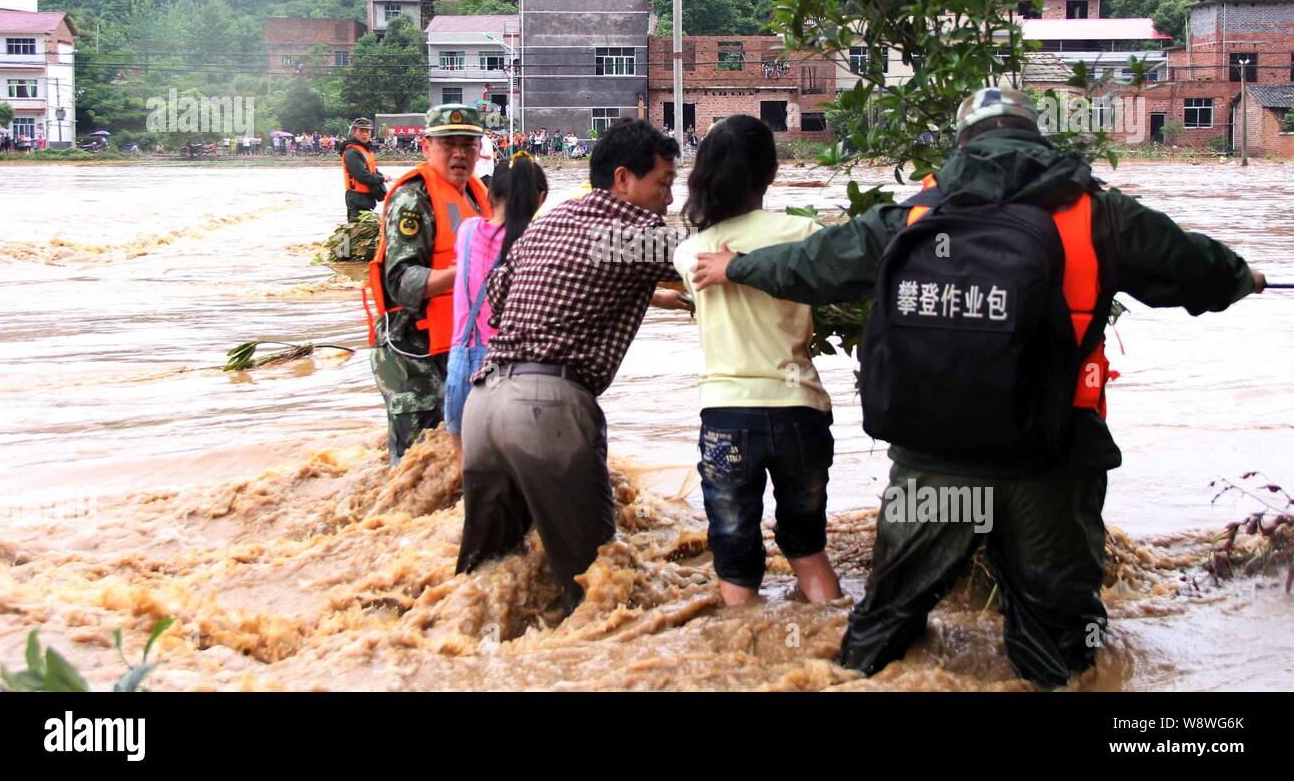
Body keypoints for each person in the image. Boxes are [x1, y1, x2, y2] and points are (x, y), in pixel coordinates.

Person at [691, 87, 1268, 688]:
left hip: (933, 468)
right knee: (1058, 648)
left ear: (963, 144)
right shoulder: (1100, 214)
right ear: (1035, 138)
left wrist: (737, 267)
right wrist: (1244, 277)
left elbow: (813, 264)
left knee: (882, 632)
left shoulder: (914, 217)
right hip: (1051, 461)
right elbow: (1195, 268)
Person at [455, 119, 688, 612]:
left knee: (486, 580)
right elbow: (704, 263)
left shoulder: (553, 220)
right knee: (600, 589)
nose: (669, 200)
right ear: (623, 179)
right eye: (664, 184)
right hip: (545, 412)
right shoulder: (630, 229)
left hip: (484, 405)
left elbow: (499, 294)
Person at [673, 116, 841, 608]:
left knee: (735, 557)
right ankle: (834, 650)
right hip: (800, 409)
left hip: (727, 414)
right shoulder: (805, 233)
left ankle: (746, 663)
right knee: (809, 550)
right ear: (770, 174)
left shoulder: (691, 252)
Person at [365, 105, 494, 467]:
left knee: (465, 453)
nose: (459, 154)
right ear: (426, 147)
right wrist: (466, 272)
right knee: (417, 464)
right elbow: (401, 281)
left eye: (468, 144)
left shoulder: (478, 194)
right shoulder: (413, 199)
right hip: (412, 349)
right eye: (447, 144)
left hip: (458, 345)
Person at [444, 151, 548, 467]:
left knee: (468, 472)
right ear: (539, 198)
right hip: (505, 369)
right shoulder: (535, 242)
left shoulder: (466, 231)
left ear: (491, 193)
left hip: (460, 365)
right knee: (516, 475)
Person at [339, 118, 388, 223]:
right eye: (361, 131)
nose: (365, 134)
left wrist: (381, 176)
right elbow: (363, 176)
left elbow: (372, 170)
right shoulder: (352, 152)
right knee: (358, 232)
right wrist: (382, 178)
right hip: (357, 198)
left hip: (367, 198)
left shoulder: (365, 150)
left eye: (367, 131)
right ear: (353, 132)